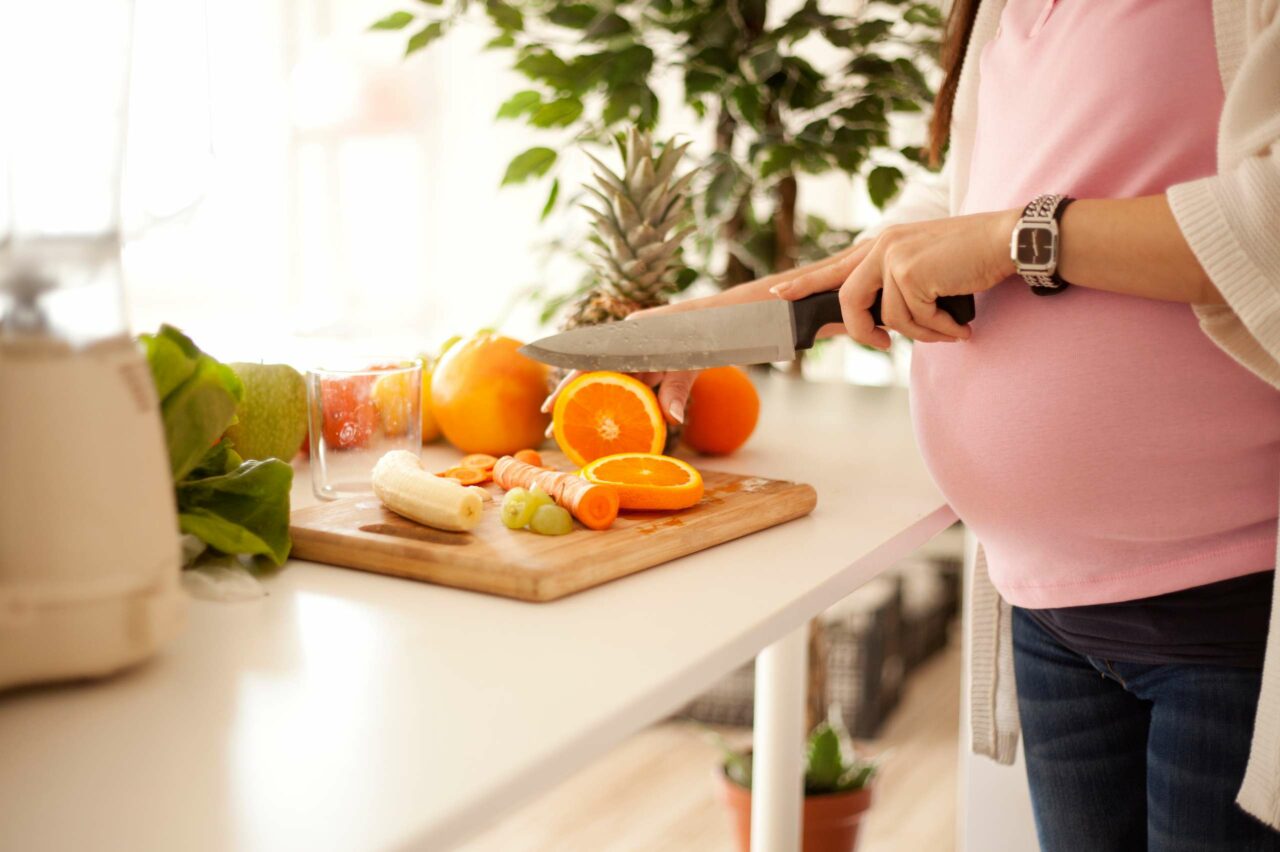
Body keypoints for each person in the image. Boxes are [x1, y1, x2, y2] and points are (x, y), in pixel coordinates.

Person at [545, 1, 1280, 848]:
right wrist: (721, 317)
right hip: (1050, 612)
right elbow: (957, 206)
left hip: (1233, 628)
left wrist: (1018, 239)